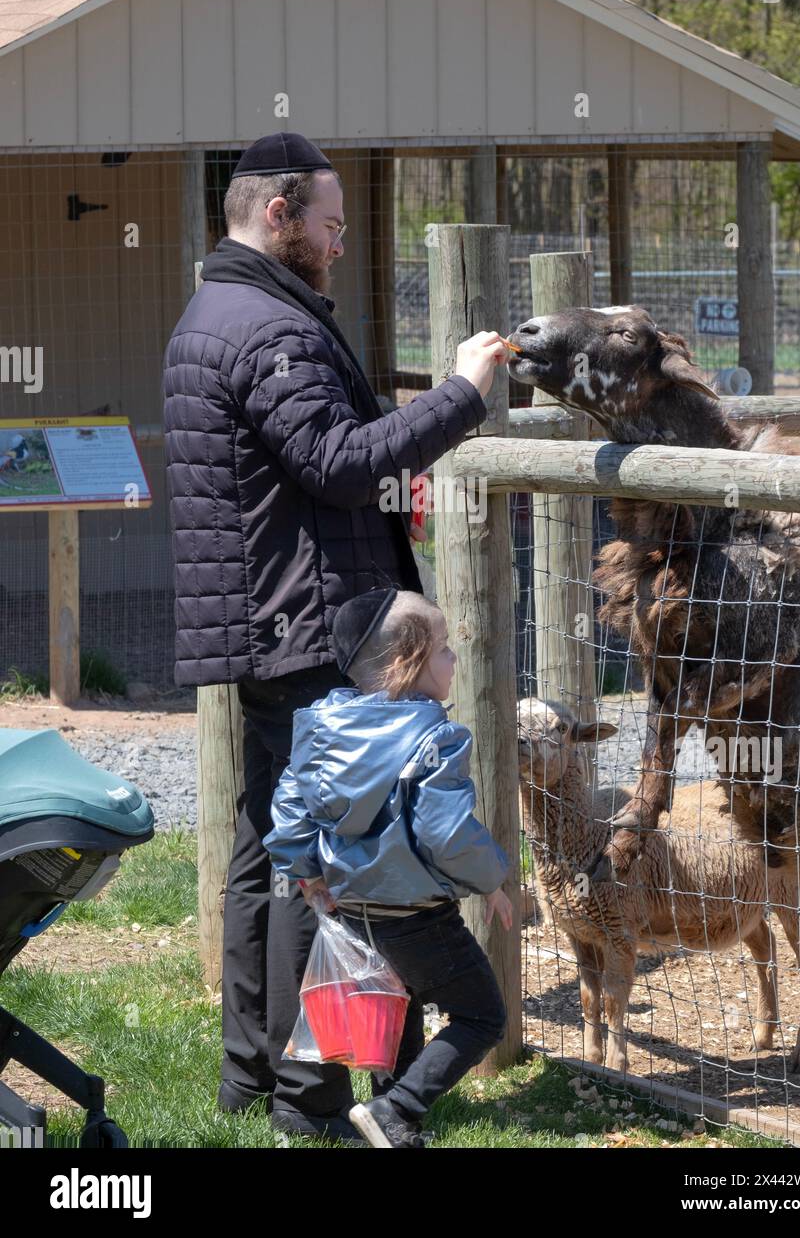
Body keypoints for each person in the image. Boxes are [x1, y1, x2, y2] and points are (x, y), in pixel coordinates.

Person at [162, 131, 509, 1140]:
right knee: (320, 872)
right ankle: (309, 1103)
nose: (338, 242)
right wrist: (460, 396)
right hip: (308, 628)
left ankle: (254, 1082)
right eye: (329, 222)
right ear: (278, 215)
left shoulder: (217, 310)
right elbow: (339, 462)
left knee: (264, 854)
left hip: (267, 618)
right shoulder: (270, 327)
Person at [264, 586, 512, 1149]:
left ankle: (389, 1122)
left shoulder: (322, 730)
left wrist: (308, 875)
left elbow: (288, 811)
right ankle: (397, 1106)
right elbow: (445, 832)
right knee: (481, 1016)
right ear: (412, 662)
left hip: (353, 909)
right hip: (420, 917)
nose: (454, 659)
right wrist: (491, 878)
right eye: (445, 648)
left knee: (397, 1005)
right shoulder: (436, 736)